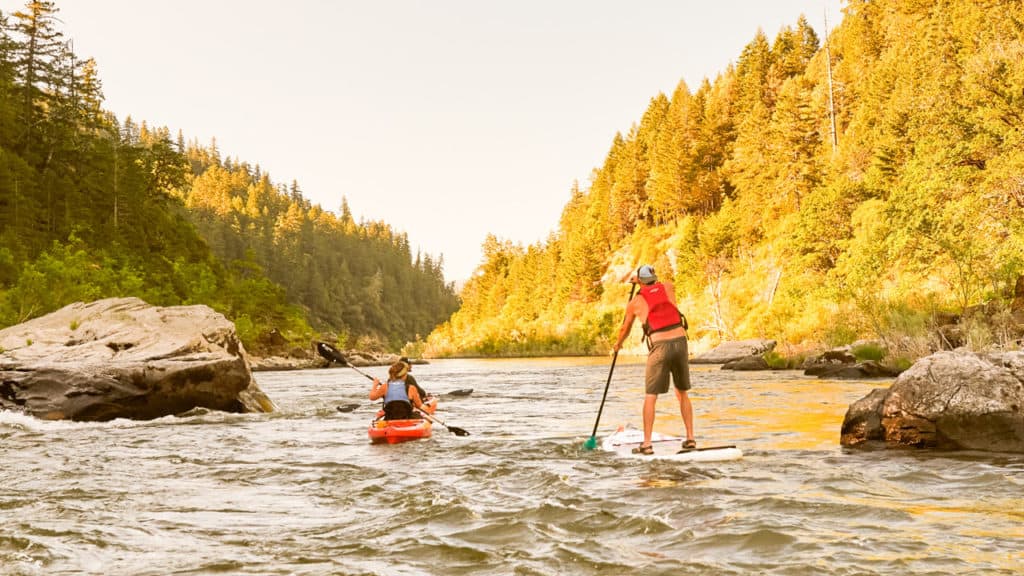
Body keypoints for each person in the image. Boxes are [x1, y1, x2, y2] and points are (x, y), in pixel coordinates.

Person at [613, 264, 695, 455]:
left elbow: (624, 329)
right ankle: (690, 438)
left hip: (660, 347)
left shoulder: (635, 303)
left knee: (651, 396)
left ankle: (647, 444)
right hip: (681, 342)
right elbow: (656, 287)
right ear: (655, 277)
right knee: (682, 392)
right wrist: (642, 281)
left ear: (639, 281)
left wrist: (618, 345)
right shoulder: (668, 286)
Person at [369, 360, 436, 420]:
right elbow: (419, 406)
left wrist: (375, 385)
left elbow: (372, 397)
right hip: (408, 417)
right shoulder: (411, 388)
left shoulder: (385, 387)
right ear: (404, 375)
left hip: (390, 418)